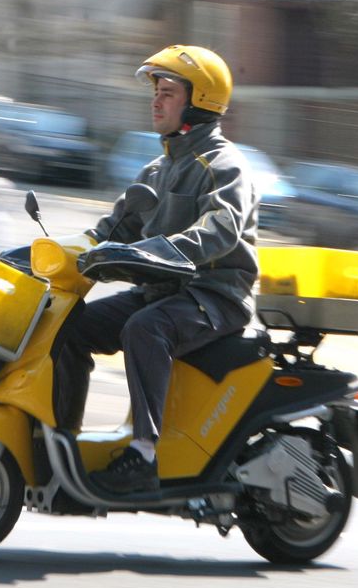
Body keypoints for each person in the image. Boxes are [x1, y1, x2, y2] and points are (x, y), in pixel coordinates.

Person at [55, 44, 260, 494]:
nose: (156, 101)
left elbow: (220, 230)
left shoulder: (225, 166)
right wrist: (53, 253)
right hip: (165, 293)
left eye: (167, 92)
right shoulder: (156, 171)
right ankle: (60, 438)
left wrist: (158, 252)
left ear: (199, 101)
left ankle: (144, 453)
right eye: (157, 92)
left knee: (145, 329)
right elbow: (111, 230)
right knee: (68, 327)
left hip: (215, 296)